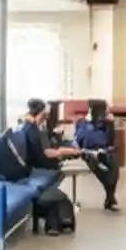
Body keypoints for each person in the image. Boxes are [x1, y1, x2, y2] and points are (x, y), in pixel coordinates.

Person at [20, 98, 78, 236]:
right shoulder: (32, 130)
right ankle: (61, 220)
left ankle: (57, 221)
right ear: (40, 114)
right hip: (38, 168)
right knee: (57, 196)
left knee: (56, 196)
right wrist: (65, 151)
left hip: (36, 165)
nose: (45, 119)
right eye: (45, 115)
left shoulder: (29, 127)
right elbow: (46, 153)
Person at [74, 99, 121, 211]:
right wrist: (87, 123)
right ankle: (110, 198)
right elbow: (79, 139)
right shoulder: (81, 123)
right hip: (87, 153)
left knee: (113, 167)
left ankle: (110, 197)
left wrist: (111, 125)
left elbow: (109, 141)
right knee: (101, 170)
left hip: (103, 151)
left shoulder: (106, 123)